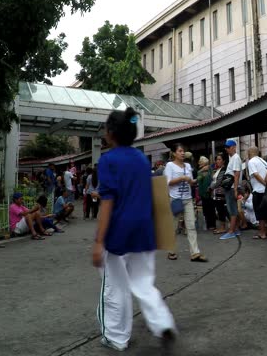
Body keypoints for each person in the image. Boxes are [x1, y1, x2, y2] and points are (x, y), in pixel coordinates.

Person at [92, 107, 176, 352]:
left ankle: (116, 337)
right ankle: (162, 324)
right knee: (143, 283)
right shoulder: (141, 159)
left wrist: (99, 240)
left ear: (110, 133)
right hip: (144, 231)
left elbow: (108, 202)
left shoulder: (108, 160)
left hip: (118, 233)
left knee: (115, 286)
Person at [164, 143, 207, 262]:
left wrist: (195, 179)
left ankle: (195, 253)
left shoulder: (187, 166)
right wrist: (182, 178)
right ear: (174, 153)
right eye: (180, 151)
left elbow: (191, 181)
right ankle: (171, 251)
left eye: (183, 151)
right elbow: (167, 182)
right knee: (174, 227)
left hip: (188, 199)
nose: (182, 153)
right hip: (175, 200)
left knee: (191, 226)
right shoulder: (169, 165)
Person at [246, 147, 267, 240]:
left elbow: (255, 174)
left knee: (260, 213)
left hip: (258, 190)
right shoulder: (263, 161)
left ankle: (262, 233)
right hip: (266, 191)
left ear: (249, 153)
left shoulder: (251, 161)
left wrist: (264, 183)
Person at [221, 139, 243, 240]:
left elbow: (236, 174)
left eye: (228, 147)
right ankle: (236, 228)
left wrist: (234, 189)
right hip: (231, 187)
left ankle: (231, 231)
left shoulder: (235, 158)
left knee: (232, 209)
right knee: (233, 208)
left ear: (234, 147)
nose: (226, 149)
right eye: (226, 147)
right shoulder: (233, 158)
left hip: (232, 187)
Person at [209, 153, 229, 234]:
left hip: (221, 194)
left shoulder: (223, 170)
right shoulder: (218, 170)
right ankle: (222, 227)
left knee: (221, 210)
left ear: (223, 161)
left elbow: (218, 182)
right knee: (220, 210)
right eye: (216, 159)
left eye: (219, 159)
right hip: (215, 194)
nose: (217, 161)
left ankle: (223, 228)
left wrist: (210, 187)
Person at [196, 156, 216, 232]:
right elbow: (199, 180)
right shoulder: (200, 171)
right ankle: (210, 224)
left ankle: (212, 225)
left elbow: (212, 178)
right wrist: (201, 171)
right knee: (207, 209)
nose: (199, 163)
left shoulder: (210, 170)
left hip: (209, 192)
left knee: (210, 209)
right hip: (204, 193)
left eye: (200, 162)